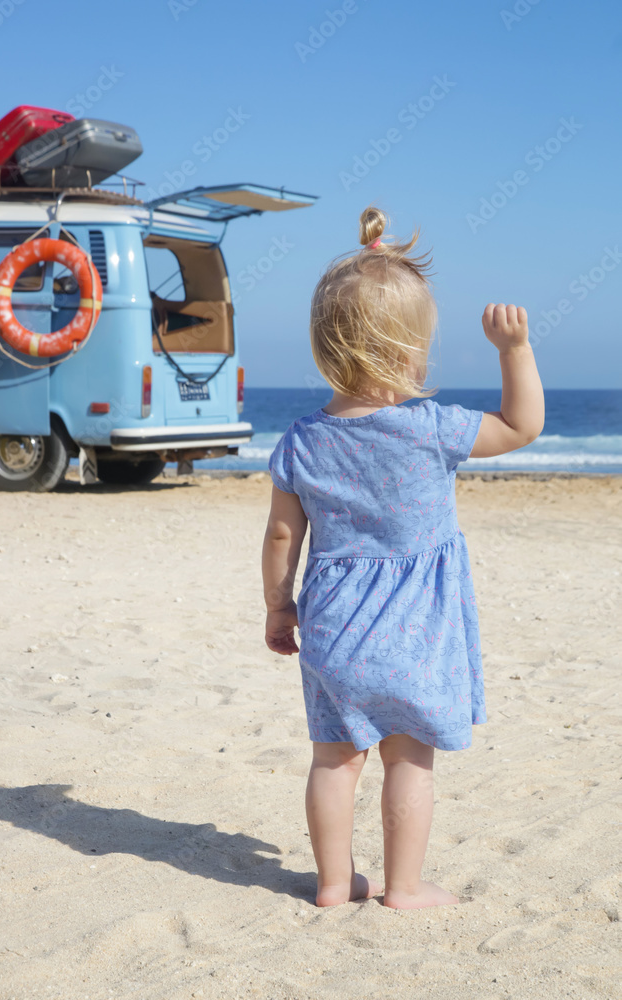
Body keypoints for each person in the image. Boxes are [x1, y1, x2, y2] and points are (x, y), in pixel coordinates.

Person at [261, 206, 544, 910]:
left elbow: (281, 538)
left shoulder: (301, 441)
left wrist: (278, 606)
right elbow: (520, 426)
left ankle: (333, 883)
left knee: (334, 760)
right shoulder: (432, 430)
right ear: (408, 350)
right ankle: (405, 888)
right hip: (417, 635)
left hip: (334, 629)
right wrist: (514, 350)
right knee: (408, 760)